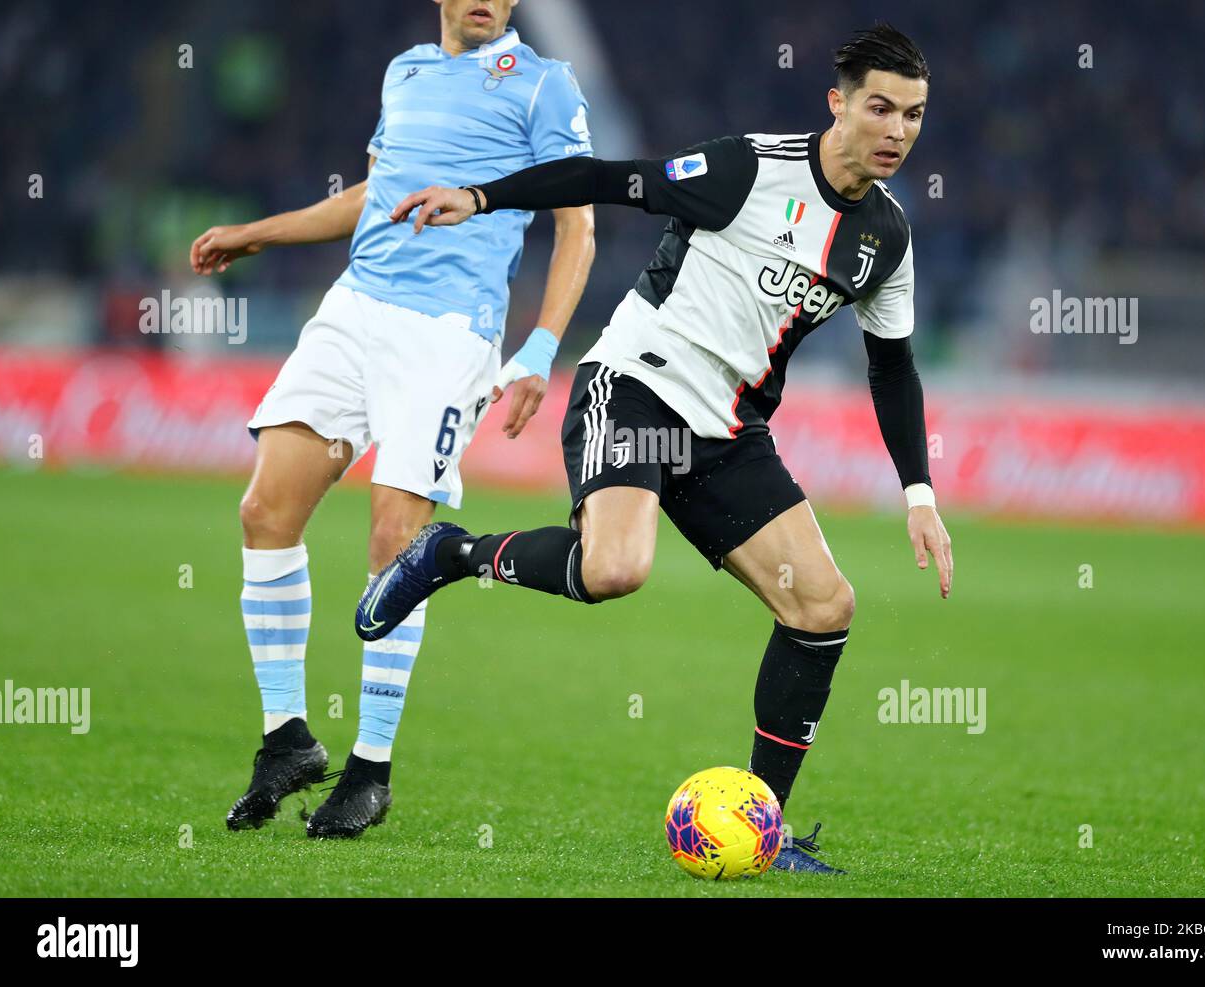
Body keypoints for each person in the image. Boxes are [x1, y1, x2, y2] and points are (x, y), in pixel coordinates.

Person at [358, 22, 952, 873]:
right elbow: (608, 179)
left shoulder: (885, 238)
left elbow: (892, 369)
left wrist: (920, 495)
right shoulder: (749, 169)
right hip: (636, 384)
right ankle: (449, 553)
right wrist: (481, 196)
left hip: (728, 433)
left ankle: (764, 828)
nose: (898, 131)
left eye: (915, 115)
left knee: (824, 607)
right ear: (838, 104)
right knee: (615, 570)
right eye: (881, 108)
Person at [190, 0, 596, 838]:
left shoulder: (545, 86)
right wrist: (262, 234)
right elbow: (379, 194)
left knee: (393, 548)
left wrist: (540, 344)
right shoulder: (404, 71)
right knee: (266, 512)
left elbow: (577, 222)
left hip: (447, 332)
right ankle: (286, 739)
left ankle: (370, 771)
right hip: (355, 310)